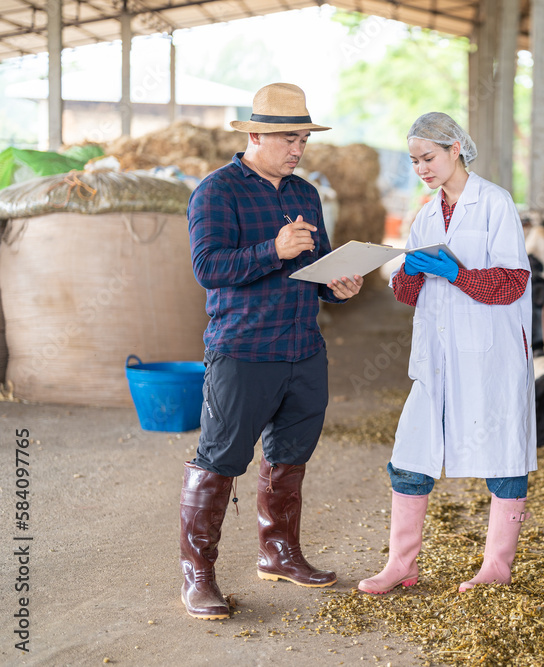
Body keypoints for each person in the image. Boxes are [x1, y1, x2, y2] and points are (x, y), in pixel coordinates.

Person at [181, 82, 364, 620]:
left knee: (290, 456)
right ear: (254, 134)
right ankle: (198, 575)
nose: (298, 148)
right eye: (288, 137)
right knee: (220, 460)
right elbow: (208, 268)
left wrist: (339, 285)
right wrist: (272, 249)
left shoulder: (306, 194)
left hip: (303, 347)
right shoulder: (216, 192)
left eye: (303, 138)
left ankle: (278, 552)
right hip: (242, 348)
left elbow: (318, 264)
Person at [359, 112, 536, 595]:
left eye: (428, 157)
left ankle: (496, 568)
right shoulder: (426, 214)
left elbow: (513, 281)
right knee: (411, 455)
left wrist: (456, 273)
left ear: (456, 148)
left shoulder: (494, 203)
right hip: (436, 356)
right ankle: (401, 564)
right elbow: (406, 293)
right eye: (415, 160)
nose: (421, 168)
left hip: (490, 355)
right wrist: (411, 271)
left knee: (502, 454)